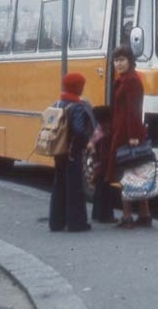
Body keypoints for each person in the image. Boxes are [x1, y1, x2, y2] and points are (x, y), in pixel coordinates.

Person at [105, 44, 152, 229]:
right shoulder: (125, 79)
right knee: (135, 173)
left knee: (126, 174)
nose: (119, 63)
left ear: (130, 61)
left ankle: (127, 216)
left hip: (127, 134)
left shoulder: (130, 80)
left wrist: (133, 136)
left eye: (122, 60)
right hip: (123, 131)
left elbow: (134, 109)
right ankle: (144, 215)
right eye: (116, 60)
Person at [48, 72, 95, 233]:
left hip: (59, 150)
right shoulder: (77, 106)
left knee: (59, 185)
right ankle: (76, 223)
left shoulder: (57, 103)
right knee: (74, 187)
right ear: (77, 87)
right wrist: (87, 142)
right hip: (72, 151)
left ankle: (56, 222)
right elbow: (79, 129)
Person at [88, 104, 117, 223]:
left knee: (99, 192)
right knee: (106, 192)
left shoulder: (97, 131)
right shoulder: (104, 137)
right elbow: (105, 157)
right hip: (103, 169)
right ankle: (107, 216)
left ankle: (97, 214)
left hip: (97, 167)